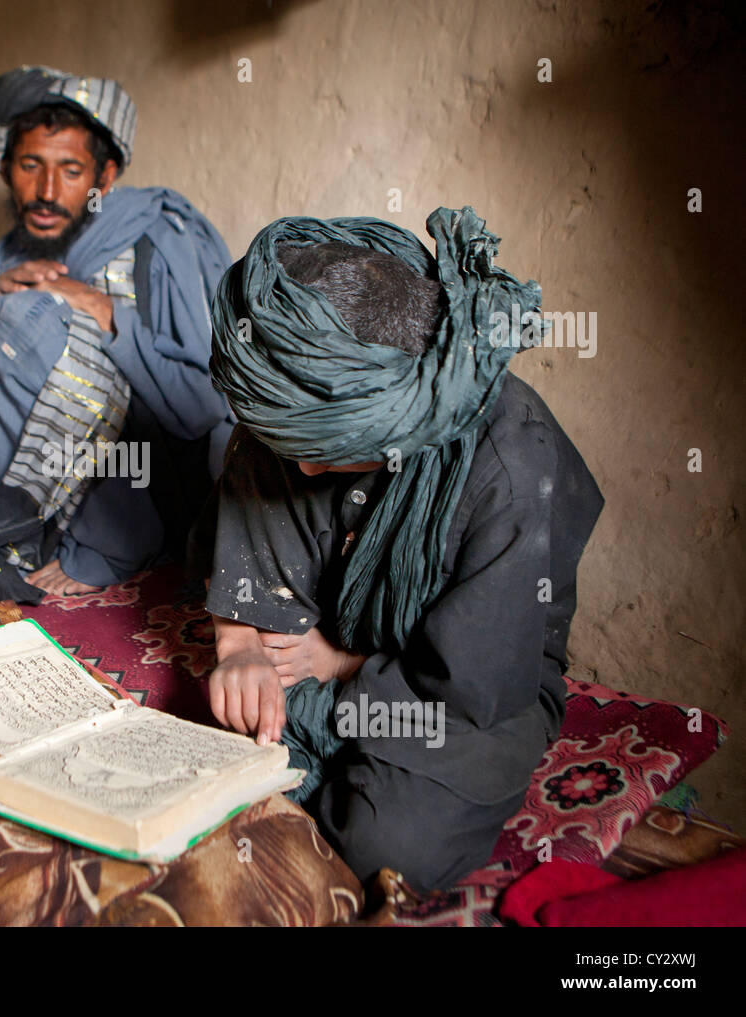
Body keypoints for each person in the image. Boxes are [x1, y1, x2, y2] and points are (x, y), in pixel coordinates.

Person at [196, 208, 604, 892]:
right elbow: (256, 591)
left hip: (455, 694)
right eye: (295, 443)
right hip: (319, 642)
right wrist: (239, 652)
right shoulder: (292, 407)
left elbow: (474, 682)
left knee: (389, 842)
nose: (305, 474)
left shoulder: (514, 465)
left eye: (327, 450)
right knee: (215, 755)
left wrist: (341, 665)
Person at [0, 66, 233, 600]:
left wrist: (106, 313)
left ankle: (112, 542)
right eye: (30, 165)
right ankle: (20, 531)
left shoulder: (154, 241)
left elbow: (204, 407)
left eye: (71, 171)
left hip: (158, 480)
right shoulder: (8, 255)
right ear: (8, 168)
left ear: (105, 177)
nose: (46, 191)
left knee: (50, 319)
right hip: (58, 481)